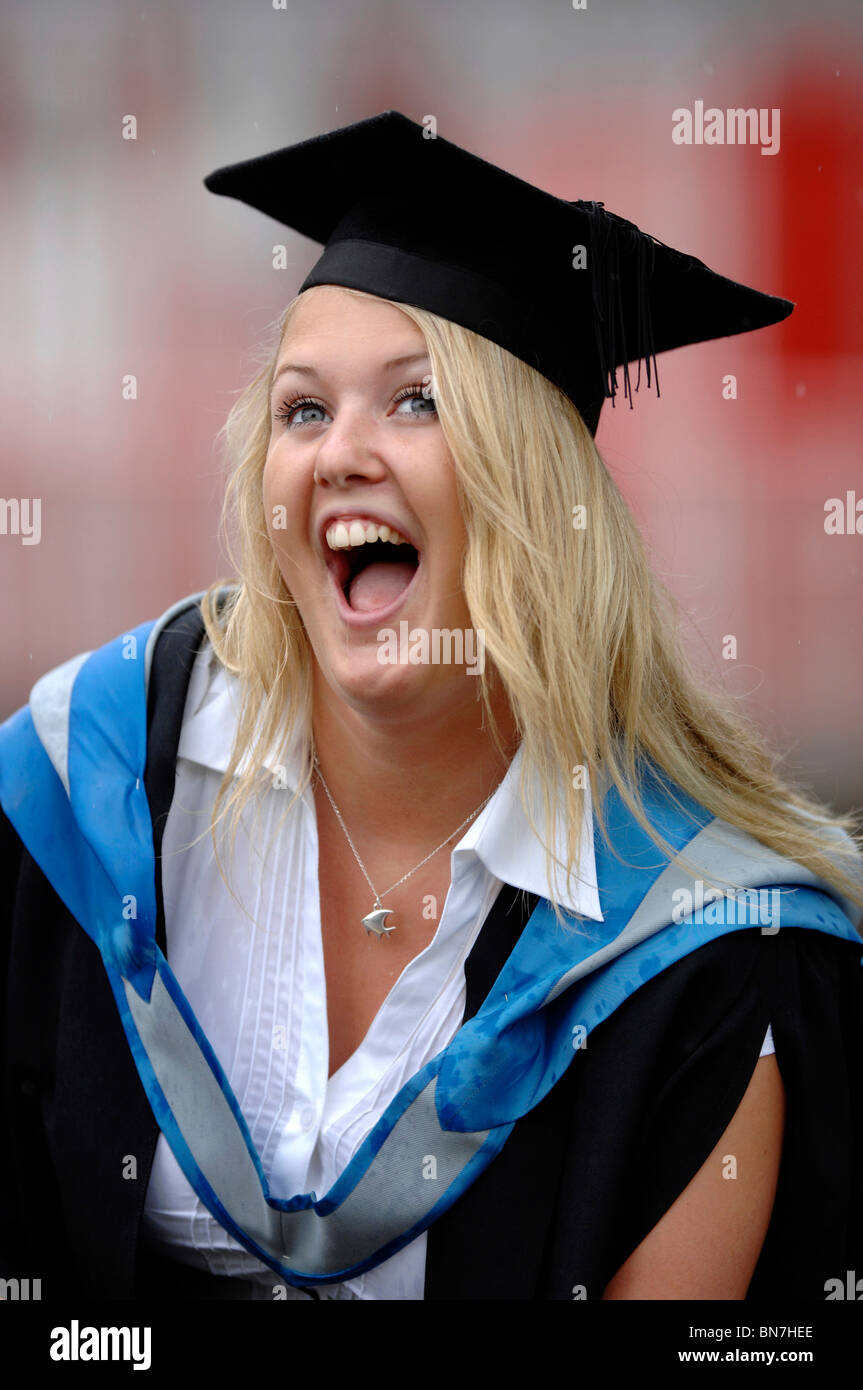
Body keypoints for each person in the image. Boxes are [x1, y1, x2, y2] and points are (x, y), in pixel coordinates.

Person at [2, 110, 862, 1303]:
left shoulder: (696, 956)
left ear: (530, 493)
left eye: (414, 402)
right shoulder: (94, 779)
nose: (341, 452)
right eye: (303, 411)